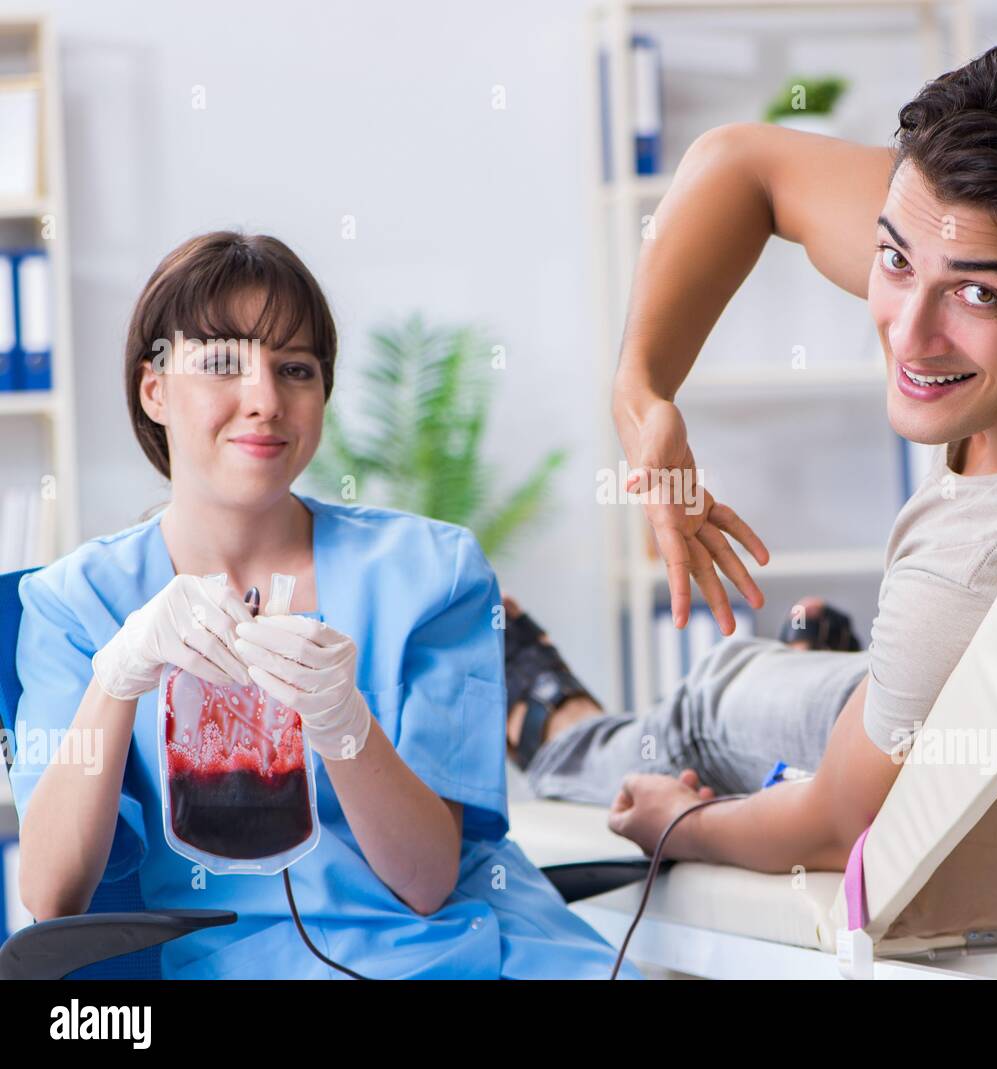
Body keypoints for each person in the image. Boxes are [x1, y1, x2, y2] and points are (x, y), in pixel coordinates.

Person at [524, 42, 997, 872]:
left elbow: (836, 829)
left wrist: (681, 823)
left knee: (710, 699)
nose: (907, 332)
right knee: (850, 688)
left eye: (977, 294)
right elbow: (739, 165)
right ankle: (862, 684)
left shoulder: (978, 569)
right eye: (892, 259)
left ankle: (552, 722)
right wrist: (642, 403)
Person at [9, 231, 635, 979]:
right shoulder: (76, 605)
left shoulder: (430, 573)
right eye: (221, 364)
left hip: (439, 954)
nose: (266, 400)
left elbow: (428, 880)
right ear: (154, 389)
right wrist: (115, 679)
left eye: (295, 369)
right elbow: (52, 898)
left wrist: (346, 727)